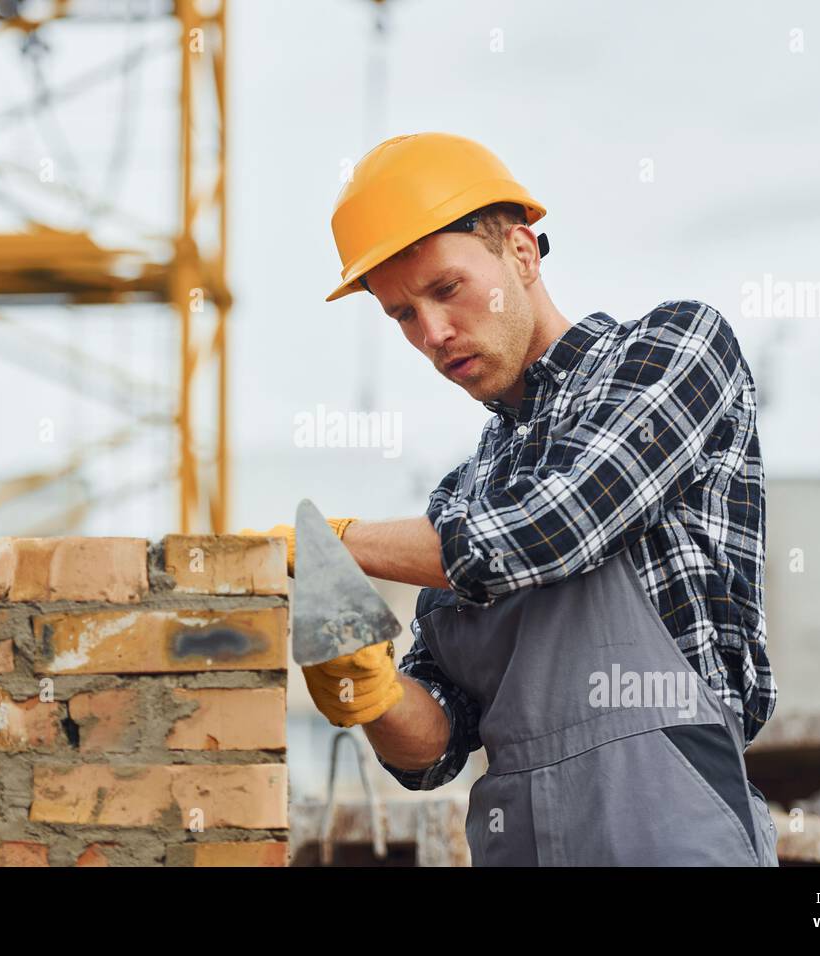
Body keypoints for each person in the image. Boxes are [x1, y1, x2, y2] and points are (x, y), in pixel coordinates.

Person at [246, 132, 778, 865]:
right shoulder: (464, 493)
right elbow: (435, 749)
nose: (432, 334)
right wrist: (372, 692)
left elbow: (546, 529)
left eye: (446, 290)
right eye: (402, 314)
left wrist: (334, 541)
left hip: (669, 830)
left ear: (521, 254)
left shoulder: (675, 349)